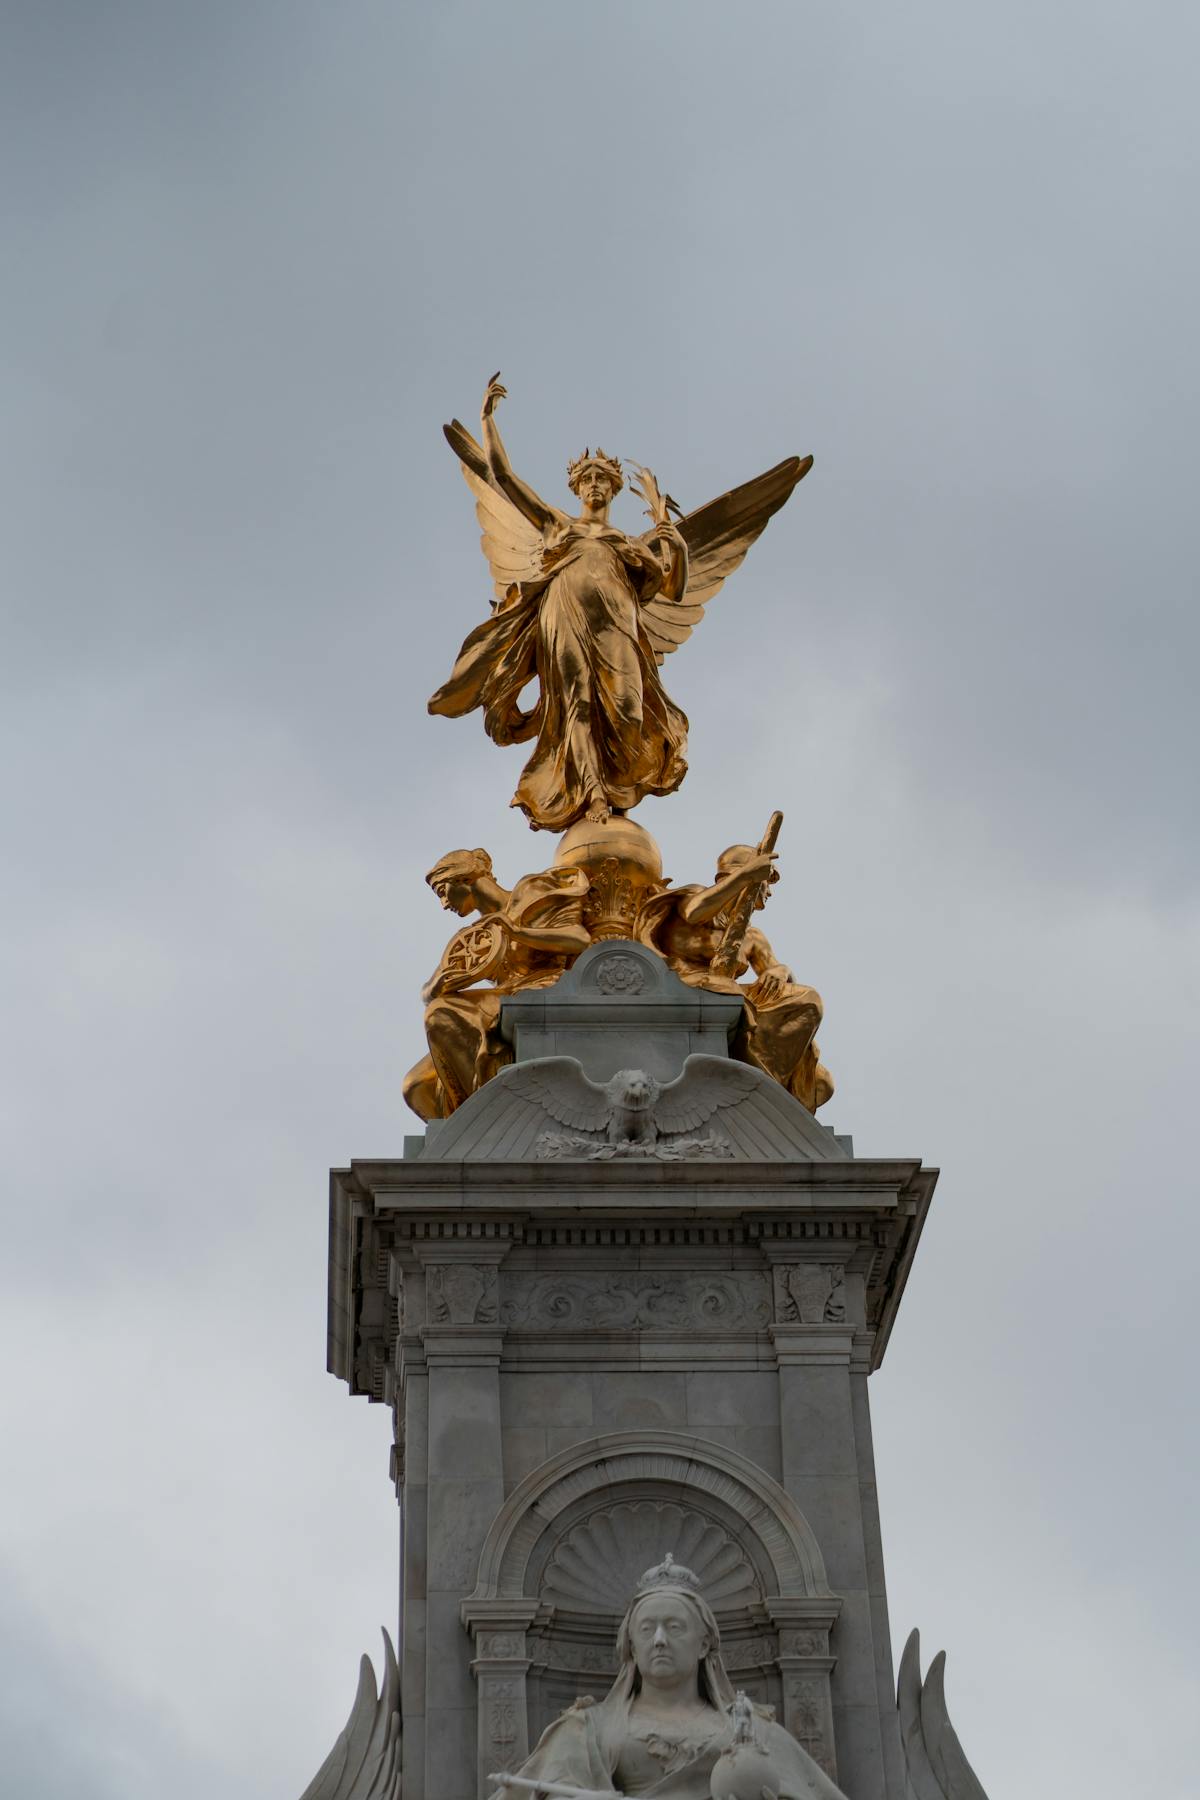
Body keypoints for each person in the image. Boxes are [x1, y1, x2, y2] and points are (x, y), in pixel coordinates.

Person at [430, 376, 691, 832]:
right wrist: (489, 421)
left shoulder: (629, 545)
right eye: (586, 478)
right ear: (576, 487)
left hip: (617, 629)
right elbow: (505, 479)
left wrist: (681, 549)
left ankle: (615, 786)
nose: (594, 485)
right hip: (564, 621)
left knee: (629, 711)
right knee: (579, 707)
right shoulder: (558, 528)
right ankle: (590, 791)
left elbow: (673, 592)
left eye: (602, 480)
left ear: (612, 490)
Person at [488, 1554, 847, 1800]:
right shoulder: (587, 1729)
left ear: (704, 1643)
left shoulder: (753, 1730)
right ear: (631, 1643)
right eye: (647, 1629)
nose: (659, 1640)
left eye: (674, 1627)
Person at [637, 847, 833, 1112]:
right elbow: (694, 912)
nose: (769, 893)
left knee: (808, 1001)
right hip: (683, 986)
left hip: (731, 995)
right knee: (735, 1001)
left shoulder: (752, 935)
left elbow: (772, 969)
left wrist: (781, 970)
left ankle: (765, 1083)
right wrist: (746, 876)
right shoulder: (696, 900)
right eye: (765, 883)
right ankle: (760, 1089)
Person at [402, 847, 590, 1119]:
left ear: (464, 880)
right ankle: (469, 1138)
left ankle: (491, 1116)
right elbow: (428, 991)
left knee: (439, 1013)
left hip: (541, 989)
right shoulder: (475, 937)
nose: (444, 904)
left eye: (443, 892)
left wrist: (517, 932)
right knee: (417, 1086)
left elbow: (579, 939)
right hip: (504, 997)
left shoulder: (531, 891)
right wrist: (438, 985)